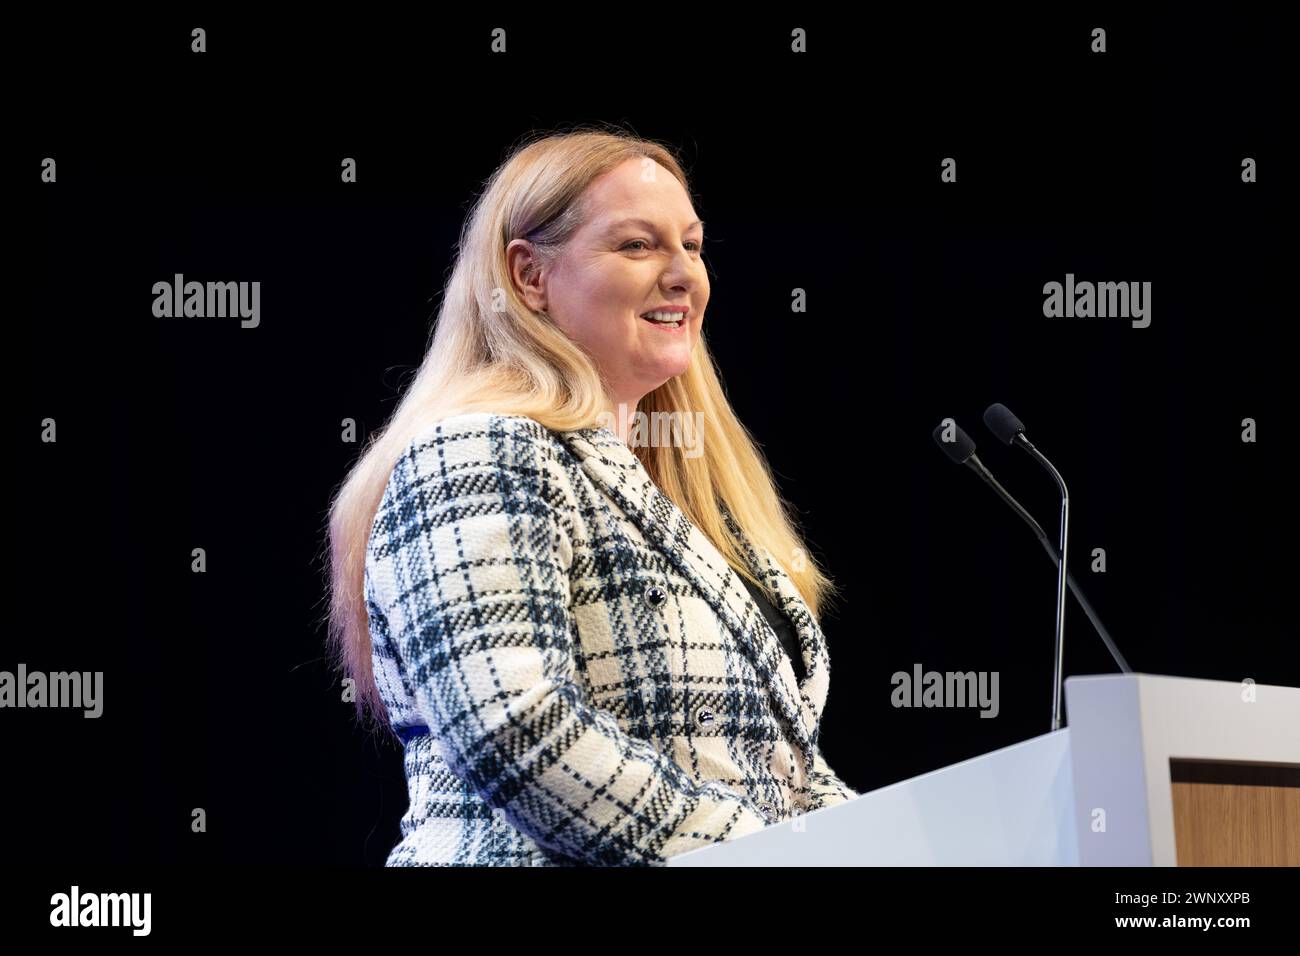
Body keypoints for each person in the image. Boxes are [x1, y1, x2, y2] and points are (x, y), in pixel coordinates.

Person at [326, 127, 857, 867]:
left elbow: (783, 773)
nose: (684, 276)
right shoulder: (478, 450)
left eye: (694, 246)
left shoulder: (680, 493)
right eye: (638, 246)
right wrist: (755, 854)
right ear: (528, 275)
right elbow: (514, 727)